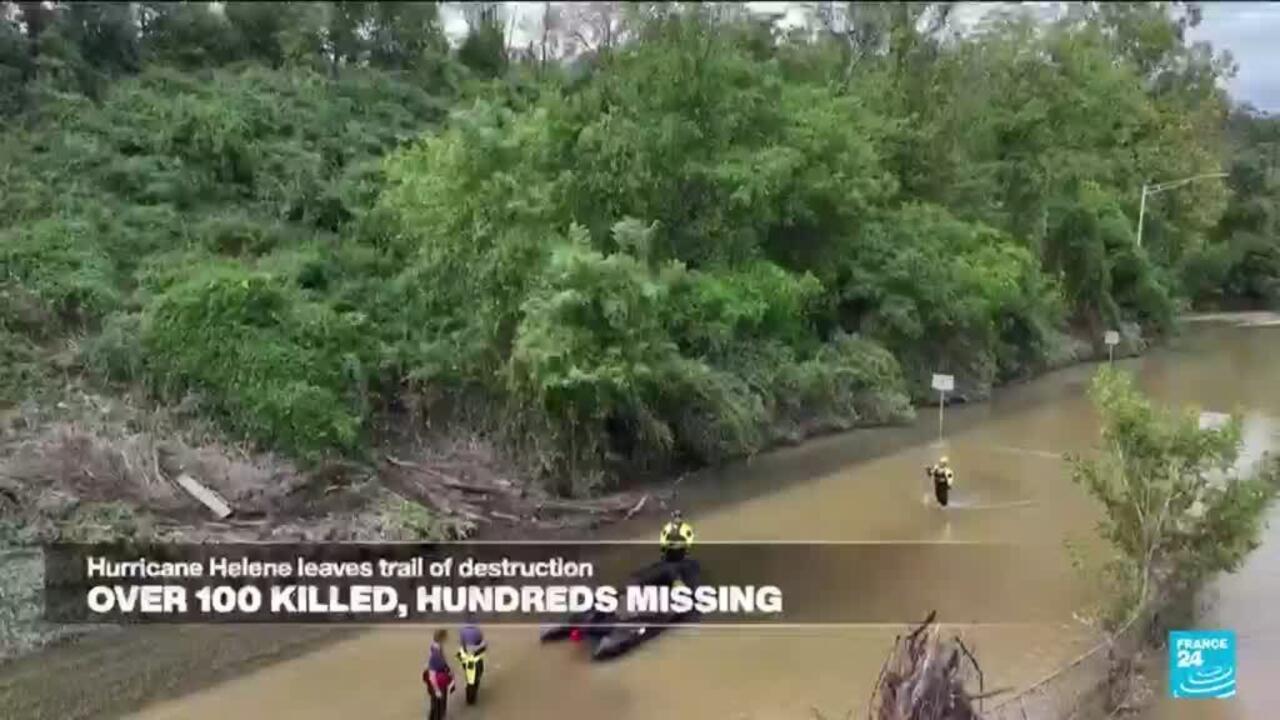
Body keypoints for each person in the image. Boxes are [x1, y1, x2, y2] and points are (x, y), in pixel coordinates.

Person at [424, 629, 455, 720]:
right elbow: (432, 675)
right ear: (442, 638)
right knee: (438, 708)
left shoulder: (435, 647)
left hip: (438, 682)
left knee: (437, 707)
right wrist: (437, 690)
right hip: (438, 684)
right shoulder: (436, 654)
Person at [457, 620, 487, 705]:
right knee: (477, 676)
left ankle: (470, 696)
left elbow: (462, 644)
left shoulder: (462, 631)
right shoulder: (478, 630)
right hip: (475, 659)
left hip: (466, 659)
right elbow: (481, 643)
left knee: (469, 677)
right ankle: (472, 694)